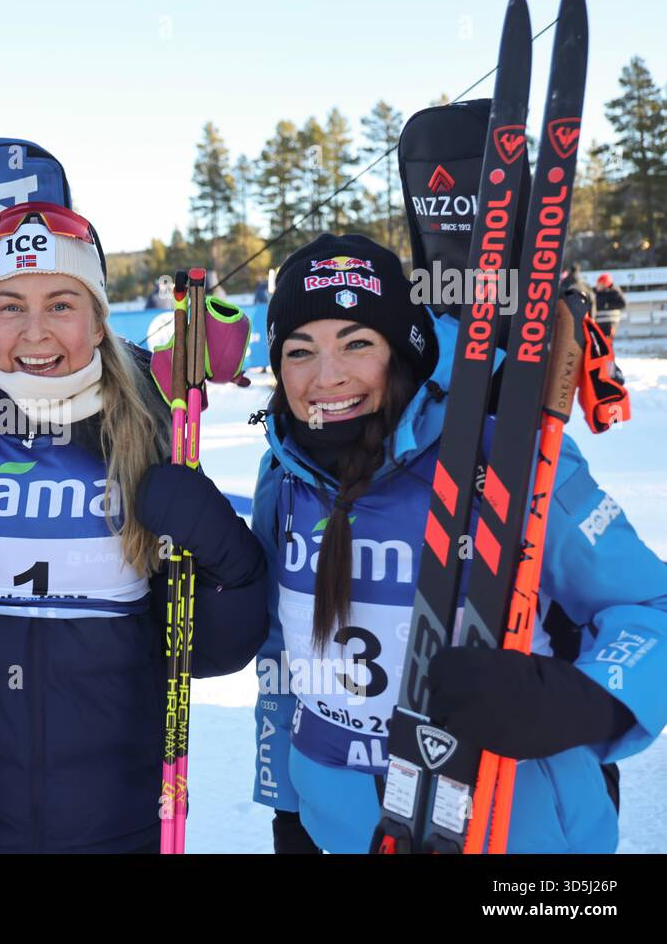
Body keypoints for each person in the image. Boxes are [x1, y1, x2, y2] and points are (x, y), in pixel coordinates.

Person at [0, 201, 269, 852]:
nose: (35, 331)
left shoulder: (148, 432)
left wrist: (232, 565)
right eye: (10, 304)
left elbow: (203, 649)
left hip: (114, 824)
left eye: (61, 303)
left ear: (97, 320)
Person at [250, 234, 667, 853]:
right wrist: (289, 805)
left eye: (357, 343)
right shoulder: (282, 474)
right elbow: (281, 650)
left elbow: (650, 607)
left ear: (405, 351)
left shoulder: (506, 454)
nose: (326, 376)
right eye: (300, 351)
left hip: (517, 834)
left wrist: (584, 703)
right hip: (340, 829)